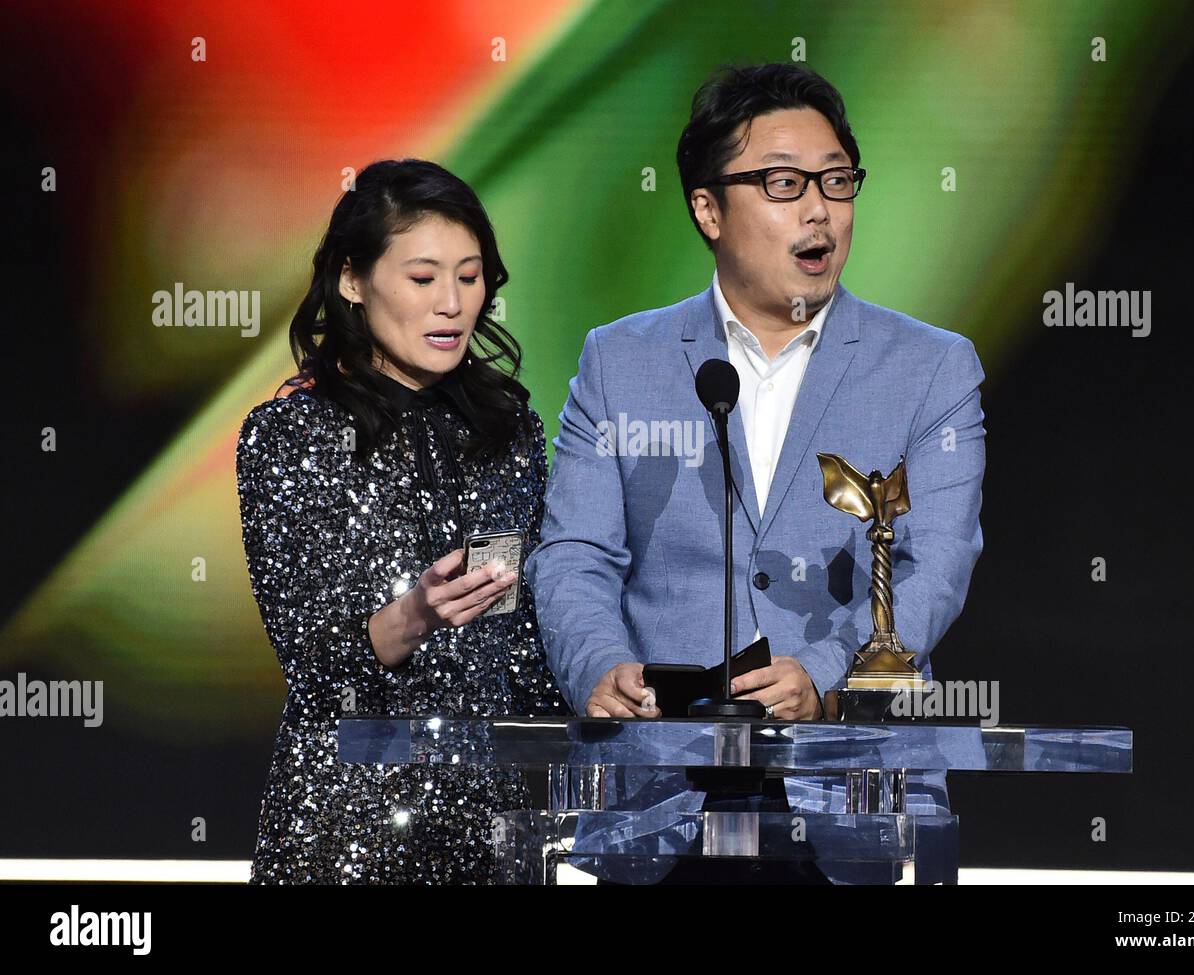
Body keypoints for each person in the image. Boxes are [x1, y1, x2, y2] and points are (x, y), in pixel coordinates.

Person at [526, 63, 986, 881]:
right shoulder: (618, 362)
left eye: (837, 182)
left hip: (851, 796)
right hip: (659, 802)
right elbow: (574, 555)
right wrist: (599, 666)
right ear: (708, 208)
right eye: (783, 184)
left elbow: (935, 564)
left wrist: (826, 679)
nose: (820, 211)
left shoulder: (931, 368)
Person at [236, 158, 567, 884]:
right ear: (353, 280)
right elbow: (314, 665)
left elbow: (527, 637)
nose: (452, 302)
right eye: (423, 279)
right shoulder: (289, 436)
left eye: (471, 276)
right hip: (345, 822)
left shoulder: (508, 431)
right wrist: (414, 614)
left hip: (494, 828)